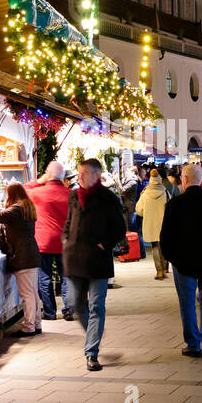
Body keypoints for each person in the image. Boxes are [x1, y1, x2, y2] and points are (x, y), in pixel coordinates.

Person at [63, 158, 128, 371]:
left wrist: (106, 244)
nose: (79, 178)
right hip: (74, 259)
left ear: (96, 175)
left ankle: (91, 352)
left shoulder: (108, 198)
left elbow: (120, 227)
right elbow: (69, 222)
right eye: (79, 174)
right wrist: (66, 239)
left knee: (96, 306)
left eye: (84, 174)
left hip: (98, 260)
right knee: (74, 302)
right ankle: (94, 329)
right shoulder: (74, 195)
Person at [160, 163, 202, 356]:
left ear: (185, 179)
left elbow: (166, 236)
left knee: (187, 301)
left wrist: (171, 258)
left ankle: (193, 343)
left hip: (183, 262)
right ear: (201, 179)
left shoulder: (174, 204)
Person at [0, 183, 43, 336]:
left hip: (23, 256)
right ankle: (36, 323)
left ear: (12, 194)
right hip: (30, 254)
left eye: (8, 194)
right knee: (32, 292)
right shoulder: (26, 206)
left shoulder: (17, 209)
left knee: (27, 294)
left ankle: (29, 327)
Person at [26, 161, 73, 321]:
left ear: (48, 174)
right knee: (66, 277)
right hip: (65, 242)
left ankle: (50, 312)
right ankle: (68, 309)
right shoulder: (69, 194)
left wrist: (39, 180)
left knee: (45, 278)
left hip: (44, 242)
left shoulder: (39, 193)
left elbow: (23, 190)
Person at [135, 166, 170, 279]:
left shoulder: (145, 194)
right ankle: (165, 269)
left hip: (150, 223)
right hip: (163, 223)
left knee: (155, 246)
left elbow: (139, 210)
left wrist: (147, 213)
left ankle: (159, 271)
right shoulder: (165, 193)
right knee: (164, 246)